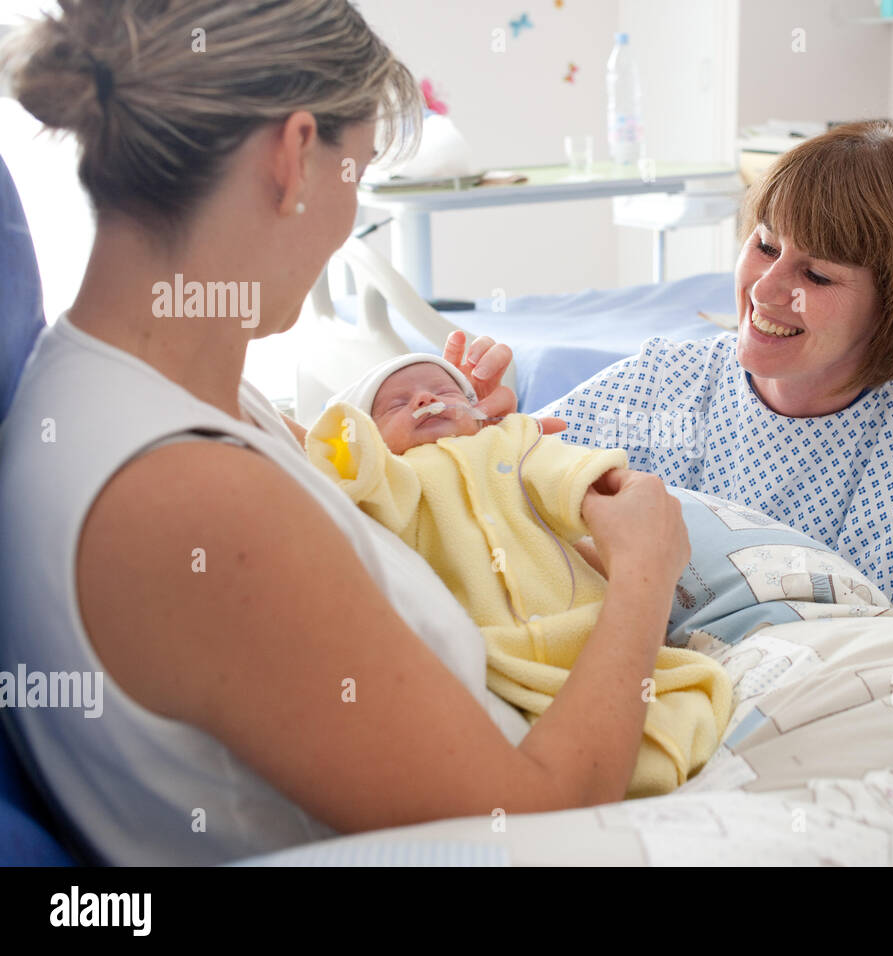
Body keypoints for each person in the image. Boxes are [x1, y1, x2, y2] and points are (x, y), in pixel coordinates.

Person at [0, 0, 691, 865]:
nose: (346, 220)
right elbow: (536, 819)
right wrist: (643, 576)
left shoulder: (138, 385)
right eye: (355, 175)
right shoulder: (188, 505)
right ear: (292, 157)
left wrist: (435, 455)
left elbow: (305, 525)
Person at [539, 120, 893, 651]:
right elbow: (498, 478)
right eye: (765, 245)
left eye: (818, 276)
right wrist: (461, 413)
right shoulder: (658, 384)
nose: (767, 288)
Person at [304, 353, 733, 799]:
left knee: (681, 704)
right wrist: (351, 445)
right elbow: (354, 486)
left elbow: (559, 472)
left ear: (477, 413)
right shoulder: (399, 477)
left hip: (579, 619)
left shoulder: (509, 442)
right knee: (524, 715)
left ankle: (663, 760)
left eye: (445, 391)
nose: (427, 398)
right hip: (493, 647)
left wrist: (595, 481)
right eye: (396, 404)